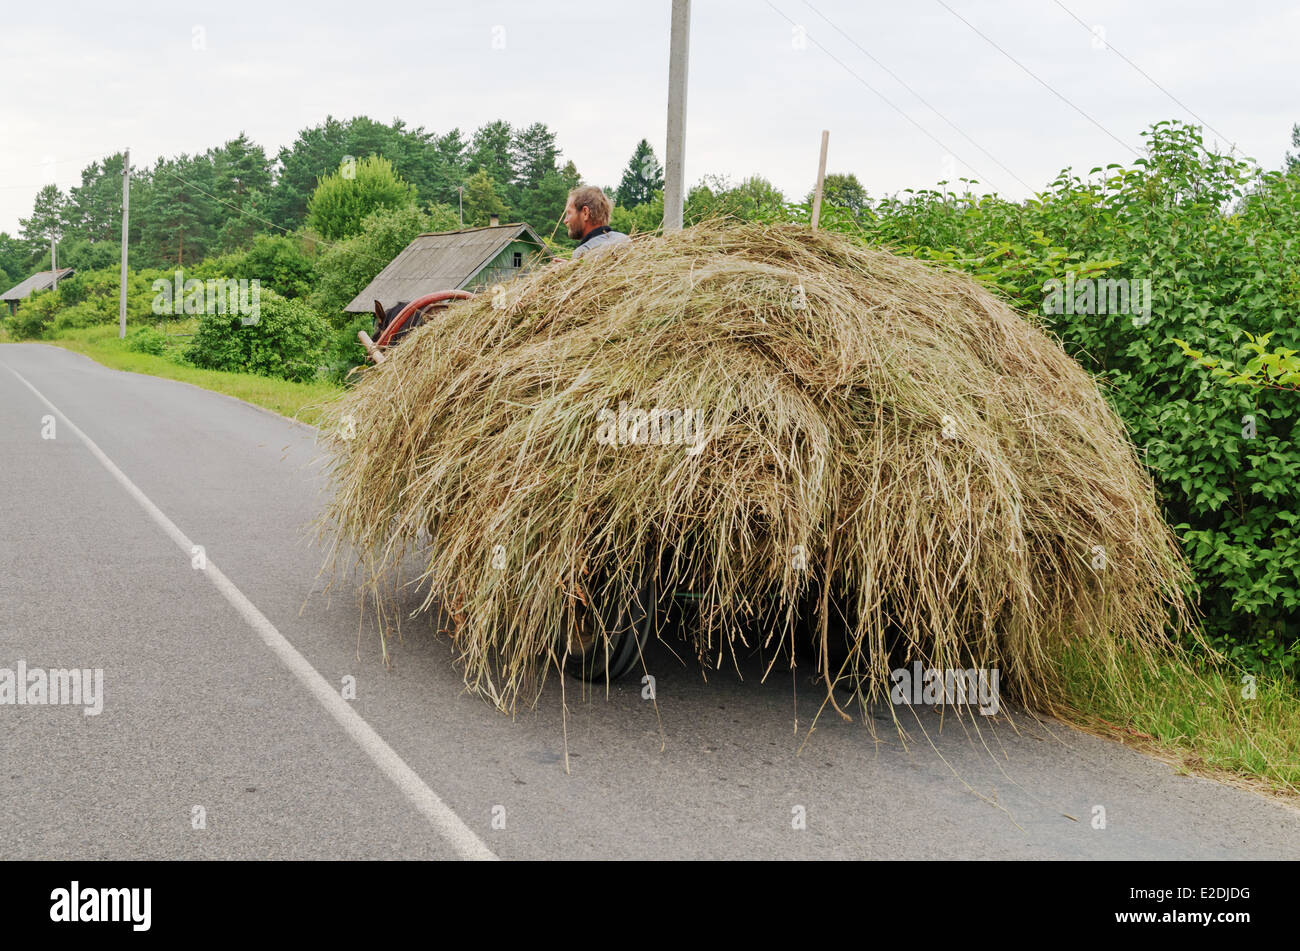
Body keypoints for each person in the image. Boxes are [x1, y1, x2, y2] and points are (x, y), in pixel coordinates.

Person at [564, 186, 631, 261]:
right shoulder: (625, 240)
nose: (565, 221)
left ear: (585, 213)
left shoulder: (582, 252)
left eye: (569, 213)